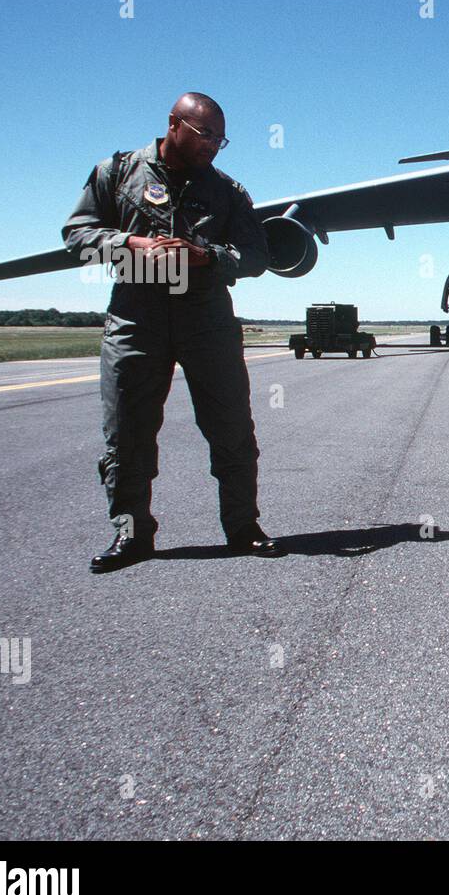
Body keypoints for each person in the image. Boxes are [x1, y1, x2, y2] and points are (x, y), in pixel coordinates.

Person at [63, 92, 282, 573]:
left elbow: (258, 256)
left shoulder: (228, 191)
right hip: (136, 315)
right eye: (205, 136)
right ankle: (132, 534)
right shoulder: (117, 174)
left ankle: (243, 528)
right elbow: (77, 237)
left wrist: (209, 256)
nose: (213, 148)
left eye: (220, 141)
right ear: (173, 124)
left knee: (230, 425)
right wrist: (130, 243)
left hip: (205, 315)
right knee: (127, 429)